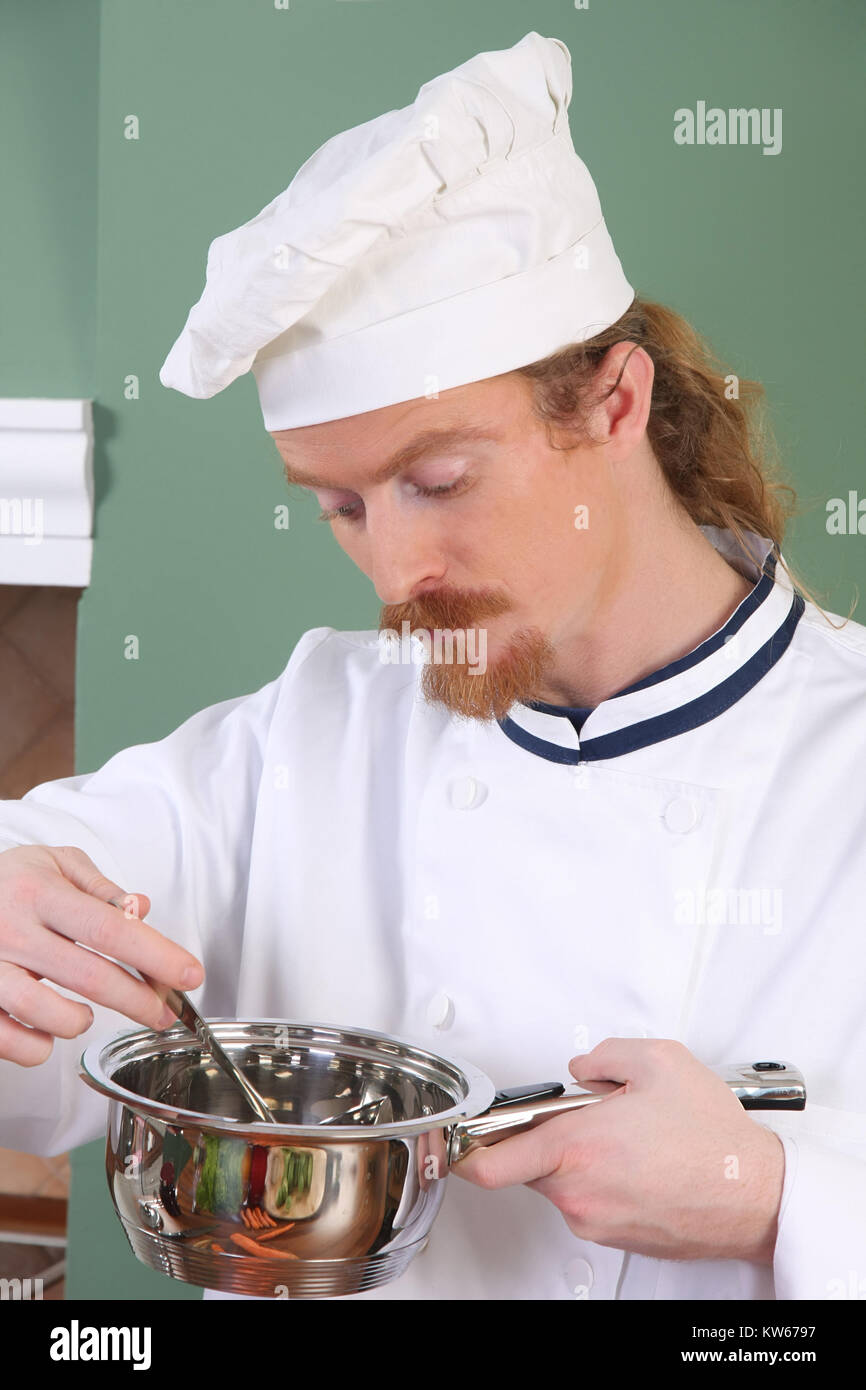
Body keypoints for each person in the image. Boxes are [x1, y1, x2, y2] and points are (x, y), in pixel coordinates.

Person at [1, 30, 864, 1303]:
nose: (394, 571)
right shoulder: (307, 733)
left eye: (438, 479)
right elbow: (45, 1008)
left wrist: (779, 1201)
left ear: (613, 404)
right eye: (339, 506)